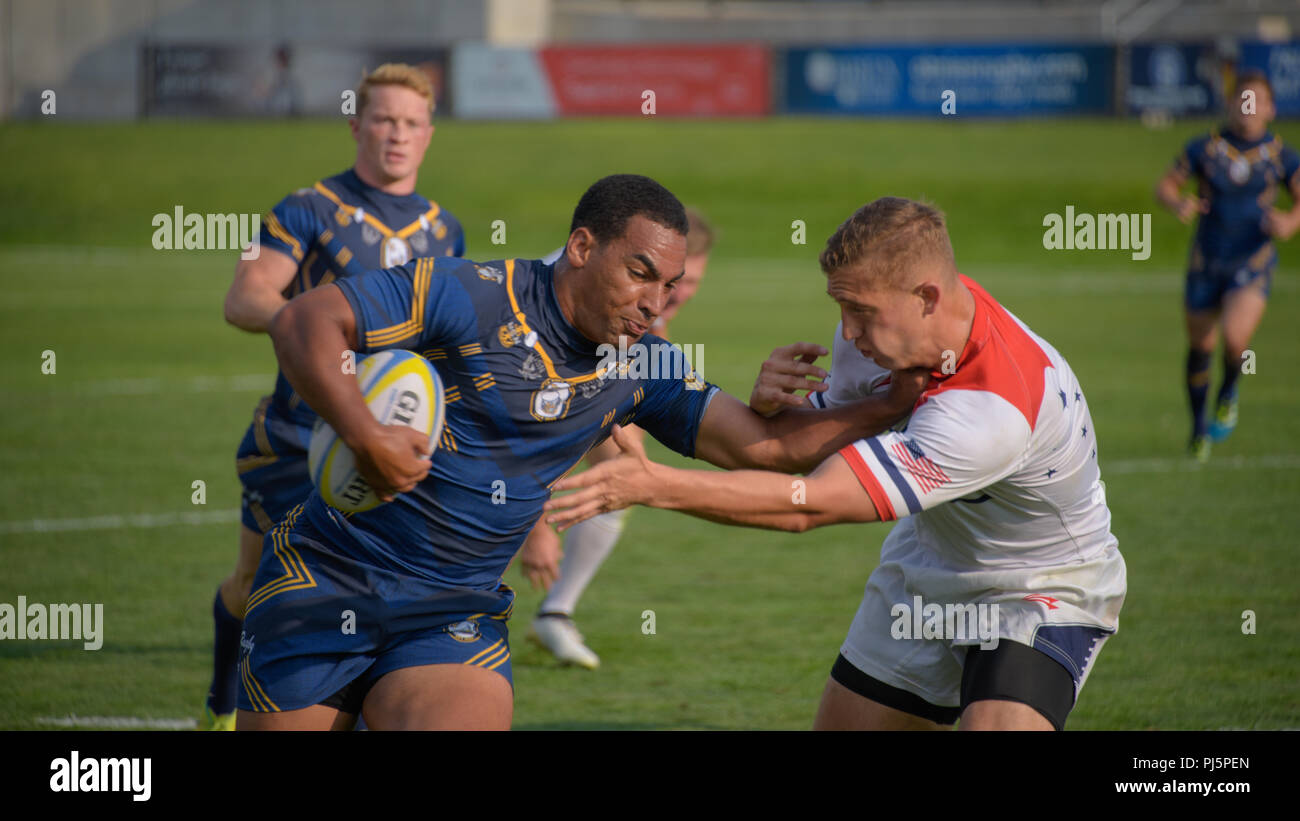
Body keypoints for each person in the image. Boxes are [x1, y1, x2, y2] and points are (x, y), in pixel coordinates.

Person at [236, 175, 926, 730]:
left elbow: (768, 446)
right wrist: (367, 436)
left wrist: (888, 403)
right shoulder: (467, 293)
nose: (655, 303)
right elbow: (305, 319)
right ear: (580, 246)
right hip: (324, 581)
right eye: (640, 273)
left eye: (670, 286)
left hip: (452, 612)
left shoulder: (643, 364)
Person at [547, 197, 1127, 731]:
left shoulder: (988, 415)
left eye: (861, 311)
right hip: (927, 569)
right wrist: (771, 412)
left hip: (1037, 587)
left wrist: (654, 485)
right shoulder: (893, 327)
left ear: (927, 297)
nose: (847, 332)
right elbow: (796, 450)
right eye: (841, 306)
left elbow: (811, 505)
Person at [202, 63, 464, 730]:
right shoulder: (307, 207)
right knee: (255, 587)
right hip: (297, 439)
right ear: (357, 125)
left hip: (393, 446)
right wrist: (329, 333)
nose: (396, 134)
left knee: (369, 595)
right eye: (383, 119)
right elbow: (246, 296)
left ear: (429, 135)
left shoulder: (445, 229)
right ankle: (223, 700)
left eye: (410, 123)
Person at [520, 207, 714, 669]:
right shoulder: (570, 300)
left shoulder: (644, 297)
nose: (677, 294)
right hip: (493, 416)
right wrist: (535, 526)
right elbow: (529, 426)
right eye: (673, 280)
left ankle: (555, 611)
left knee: (624, 470)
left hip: (560, 395)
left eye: (687, 283)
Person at [1155, 69, 1300, 462]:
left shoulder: (1282, 156)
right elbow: (1166, 185)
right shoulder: (1206, 148)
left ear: (1270, 108)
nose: (1248, 108)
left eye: (1256, 101)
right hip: (1206, 261)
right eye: (1242, 99)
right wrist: (1178, 202)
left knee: (1235, 340)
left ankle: (1229, 389)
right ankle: (1199, 427)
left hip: (1252, 262)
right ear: (1231, 102)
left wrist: (1289, 221)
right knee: (1201, 346)